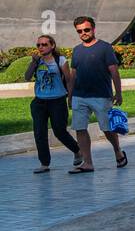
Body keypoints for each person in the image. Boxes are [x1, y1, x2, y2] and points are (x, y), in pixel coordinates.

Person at [67, 15, 126, 173]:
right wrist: (70, 95)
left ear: (93, 29)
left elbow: (114, 71)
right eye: (80, 31)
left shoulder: (105, 47)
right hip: (80, 96)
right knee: (80, 128)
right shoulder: (77, 50)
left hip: (101, 95)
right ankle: (87, 162)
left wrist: (118, 93)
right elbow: (73, 74)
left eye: (86, 29)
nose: (83, 33)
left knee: (107, 129)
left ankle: (118, 151)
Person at [24, 34, 81, 174]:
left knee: (59, 131)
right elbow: (27, 77)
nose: (41, 47)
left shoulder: (60, 60)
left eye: (44, 44)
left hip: (57, 100)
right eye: (38, 45)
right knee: (39, 133)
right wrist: (33, 62)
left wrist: (70, 98)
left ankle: (78, 151)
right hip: (39, 102)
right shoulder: (37, 61)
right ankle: (44, 163)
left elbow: (68, 80)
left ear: (52, 45)